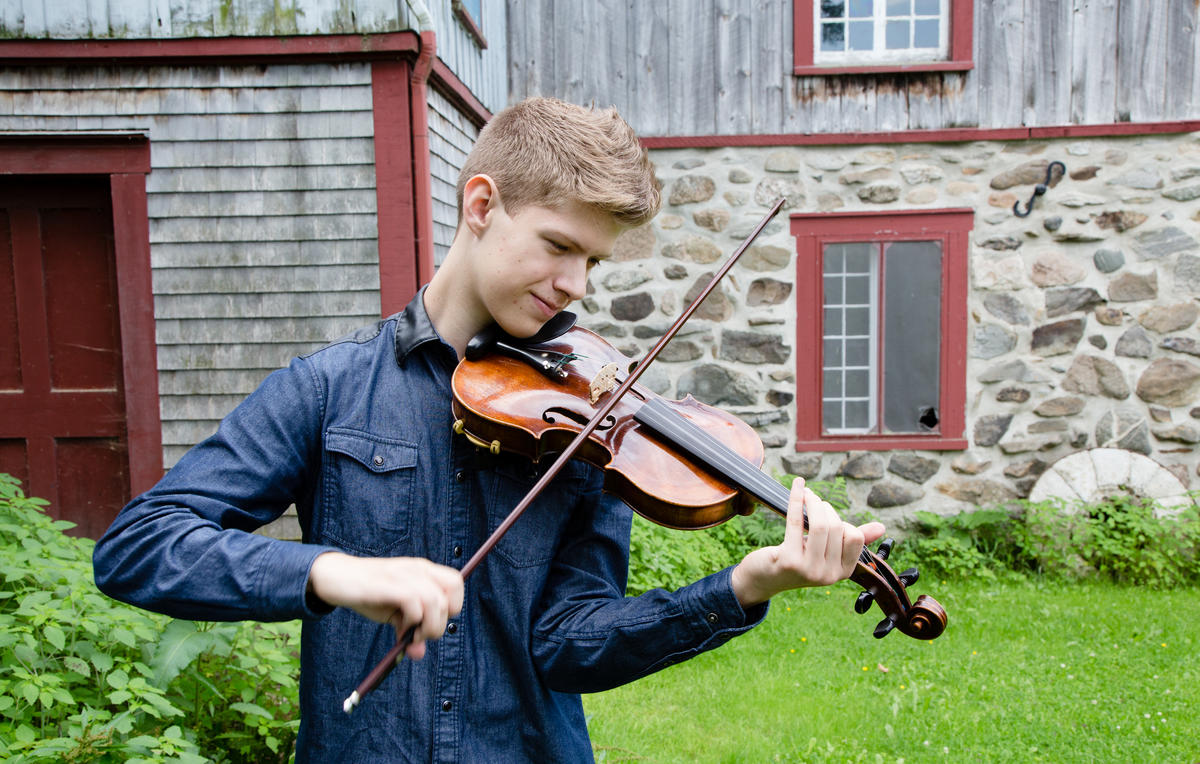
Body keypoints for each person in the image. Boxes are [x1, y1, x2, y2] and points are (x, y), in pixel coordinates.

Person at [93, 96, 885, 762]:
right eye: (558, 246)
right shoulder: (329, 389)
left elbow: (570, 643)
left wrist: (743, 587)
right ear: (481, 205)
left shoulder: (592, 416)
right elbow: (139, 545)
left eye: (594, 263)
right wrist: (334, 573)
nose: (574, 284)